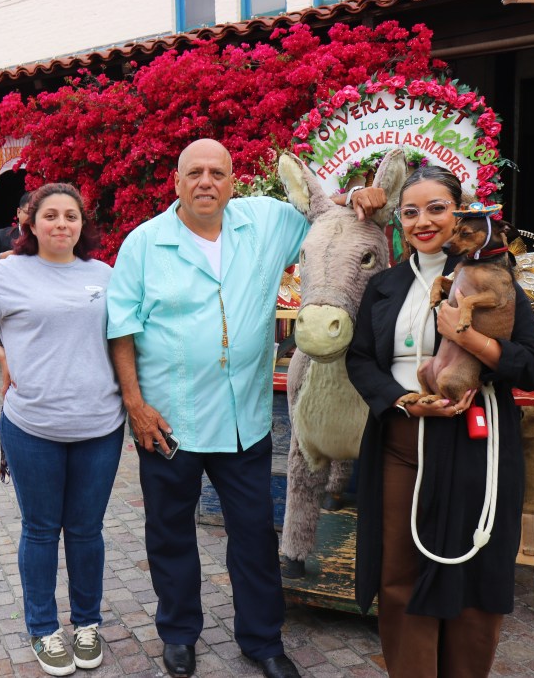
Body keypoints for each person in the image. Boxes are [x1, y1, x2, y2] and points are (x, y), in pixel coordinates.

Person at [106, 138, 384, 678]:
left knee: (254, 535)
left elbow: (331, 223)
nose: (206, 182)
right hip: (168, 421)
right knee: (169, 533)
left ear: (234, 181)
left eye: (217, 172)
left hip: (244, 420)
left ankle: (261, 641)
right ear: (178, 182)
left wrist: (361, 195)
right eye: (195, 173)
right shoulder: (144, 243)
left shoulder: (268, 221)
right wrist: (134, 405)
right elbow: (121, 328)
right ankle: (179, 633)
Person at [345, 165, 534, 677]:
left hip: (476, 445)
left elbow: (533, 366)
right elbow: (361, 360)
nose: (423, 221)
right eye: (410, 212)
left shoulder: (492, 278)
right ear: (400, 222)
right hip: (401, 440)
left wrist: (473, 339)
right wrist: (400, 400)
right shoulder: (386, 285)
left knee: (474, 574)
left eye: (436, 208)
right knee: (398, 574)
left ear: (460, 213)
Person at [0, 183, 125, 677]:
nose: (62, 224)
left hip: (99, 425)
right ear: (31, 223)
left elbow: (126, 338)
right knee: (40, 531)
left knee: (86, 532)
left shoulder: (105, 275)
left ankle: (86, 624)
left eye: (72, 216)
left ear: (84, 224)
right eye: (51, 216)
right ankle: (43, 629)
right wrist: (2, 354)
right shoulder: (7, 273)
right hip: (32, 424)